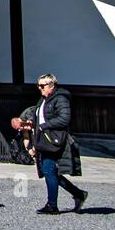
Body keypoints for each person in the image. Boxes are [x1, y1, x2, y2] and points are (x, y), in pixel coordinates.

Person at [32, 73, 88, 214]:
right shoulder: (43, 100)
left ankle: (52, 205)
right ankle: (78, 194)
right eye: (38, 85)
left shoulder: (60, 99)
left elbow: (64, 119)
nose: (40, 88)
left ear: (52, 85)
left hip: (55, 139)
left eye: (42, 85)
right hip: (45, 139)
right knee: (51, 172)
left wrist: (45, 125)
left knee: (49, 170)